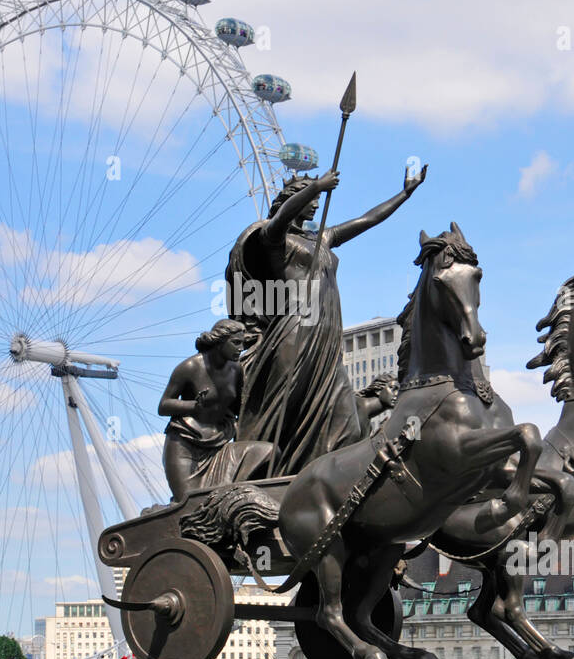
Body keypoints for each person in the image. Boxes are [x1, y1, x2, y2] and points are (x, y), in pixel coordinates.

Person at [226, 164, 428, 476]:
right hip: (295, 332)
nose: (317, 202)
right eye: (310, 196)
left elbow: (367, 220)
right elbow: (279, 219)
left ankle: (325, 476)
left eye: (318, 195)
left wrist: (404, 194)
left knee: (345, 414)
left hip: (326, 337)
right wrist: (316, 185)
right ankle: (256, 473)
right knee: (282, 406)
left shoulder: (322, 238)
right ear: (295, 197)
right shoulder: (274, 237)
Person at [158, 319, 272, 501]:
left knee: (267, 451)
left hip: (220, 444)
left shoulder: (236, 370)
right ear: (219, 342)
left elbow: (237, 408)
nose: (240, 348)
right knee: (189, 505)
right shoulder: (190, 367)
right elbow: (163, 406)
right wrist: (193, 406)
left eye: (242, 343)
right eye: (235, 343)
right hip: (186, 446)